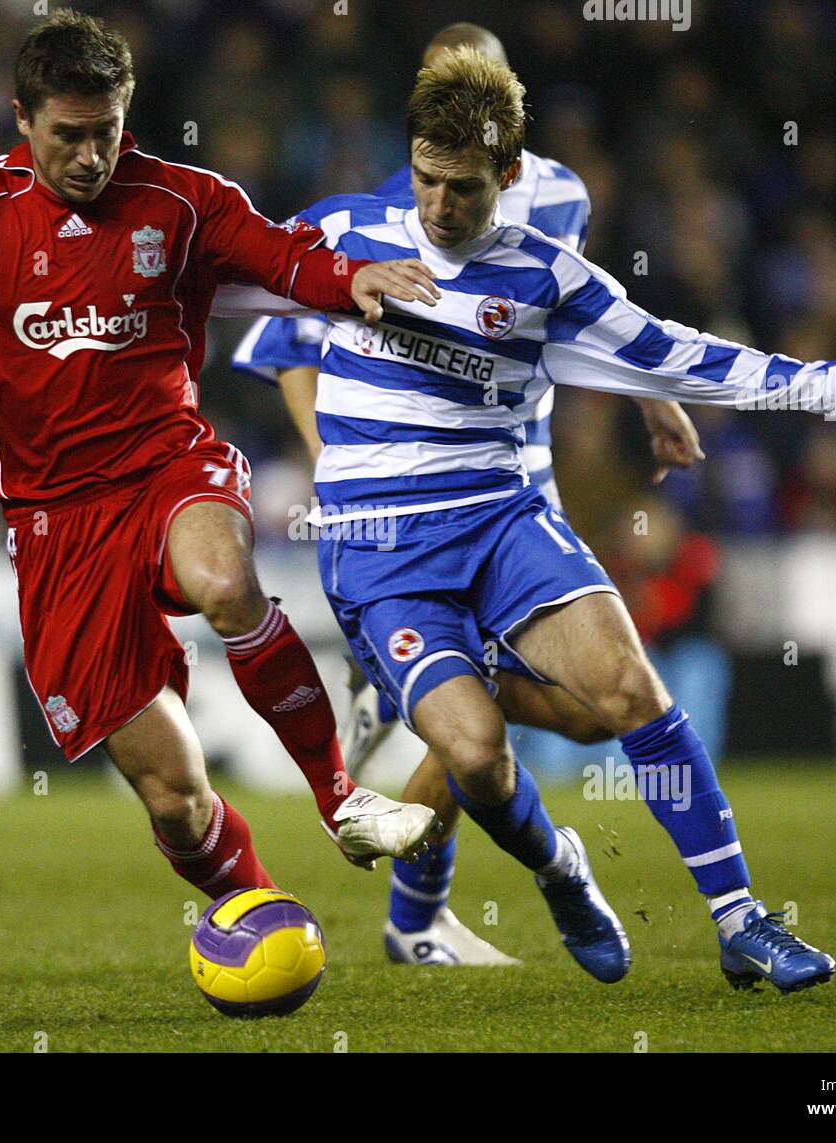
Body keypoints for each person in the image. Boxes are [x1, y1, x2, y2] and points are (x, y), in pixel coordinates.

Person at [216, 47, 836, 993]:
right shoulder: (343, 230)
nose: (439, 208)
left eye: (465, 189)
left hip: (502, 521)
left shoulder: (546, 272)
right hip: (384, 550)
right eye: (427, 181)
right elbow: (212, 280)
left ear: (508, 177)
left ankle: (741, 919)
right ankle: (561, 866)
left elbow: (673, 352)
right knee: (472, 753)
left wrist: (831, 383)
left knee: (632, 694)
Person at [0, 10, 446, 903]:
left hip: (166, 465)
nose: (90, 155)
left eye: (105, 132)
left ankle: (341, 800)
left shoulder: (181, 199)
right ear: (22, 120)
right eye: (68, 135)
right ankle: (255, 911)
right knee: (177, 799)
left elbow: (282, 257)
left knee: (224, 580)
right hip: (52, 519)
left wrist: (350, 282)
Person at [231, 22, 704, 968]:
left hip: (519, 488)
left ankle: (419, 880)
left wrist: (656, 396)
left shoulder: (562, 194)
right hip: (408, 505)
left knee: (586, 710)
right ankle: (421, 908)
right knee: (478, 728)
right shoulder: (380, 217)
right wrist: (350, 463)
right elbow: (288, 348)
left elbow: (595, 312)